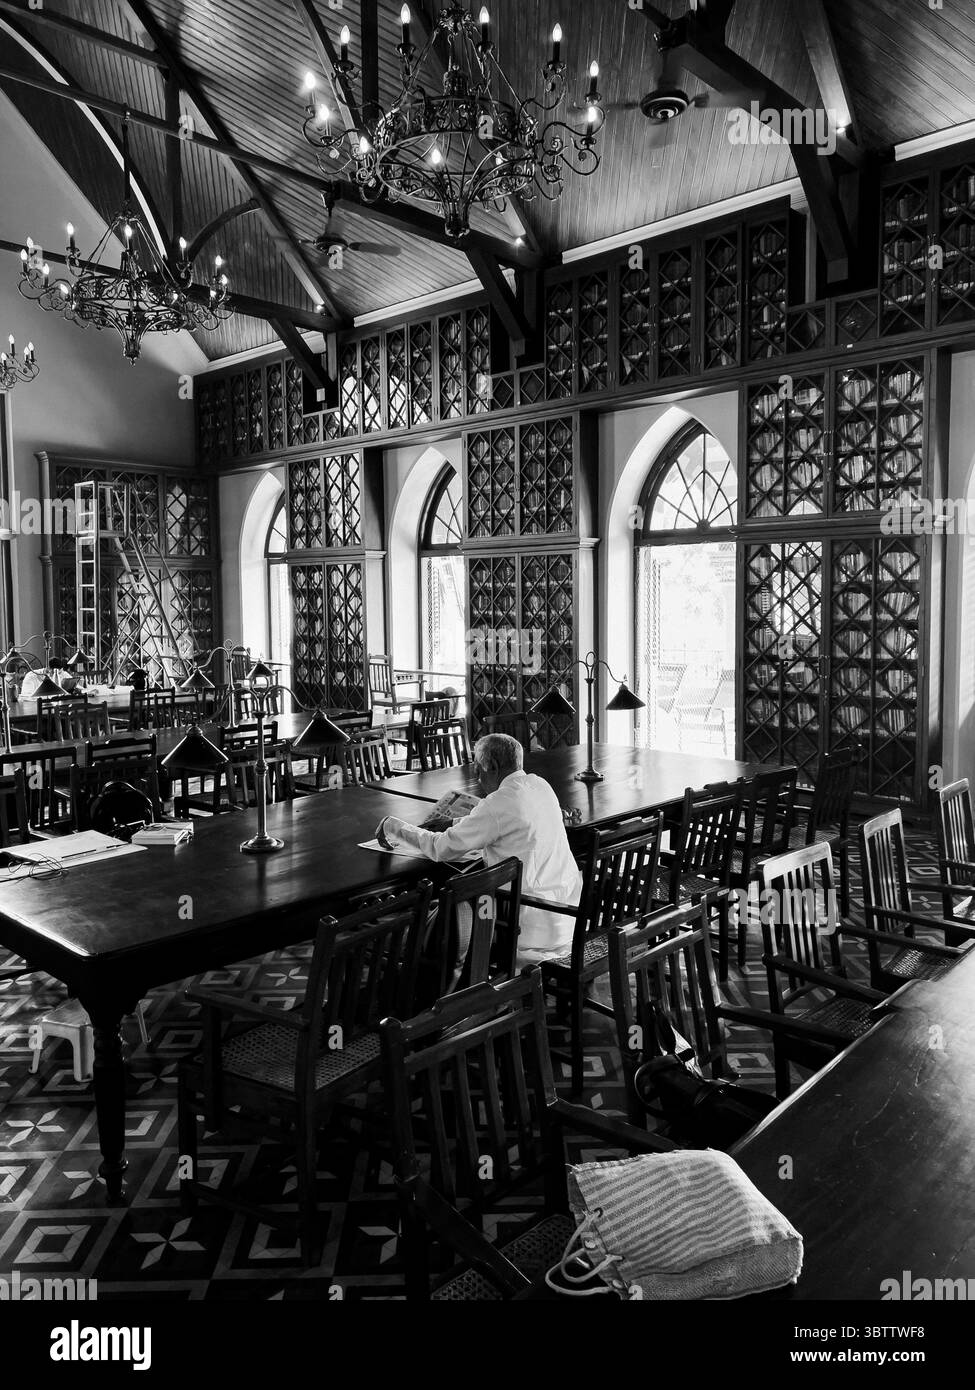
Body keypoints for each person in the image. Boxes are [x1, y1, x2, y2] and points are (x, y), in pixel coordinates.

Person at [375, 732, 582, 965]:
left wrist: (395, 826)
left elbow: (440, 848)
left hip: (524, 926)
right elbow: (499, 822)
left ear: (492, 766)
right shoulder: (539, 785)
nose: (476, 775)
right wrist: (452, 823)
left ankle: (452, 979)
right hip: (566, 917)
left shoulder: (499, 802)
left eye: (478, 768)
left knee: (458, 909)